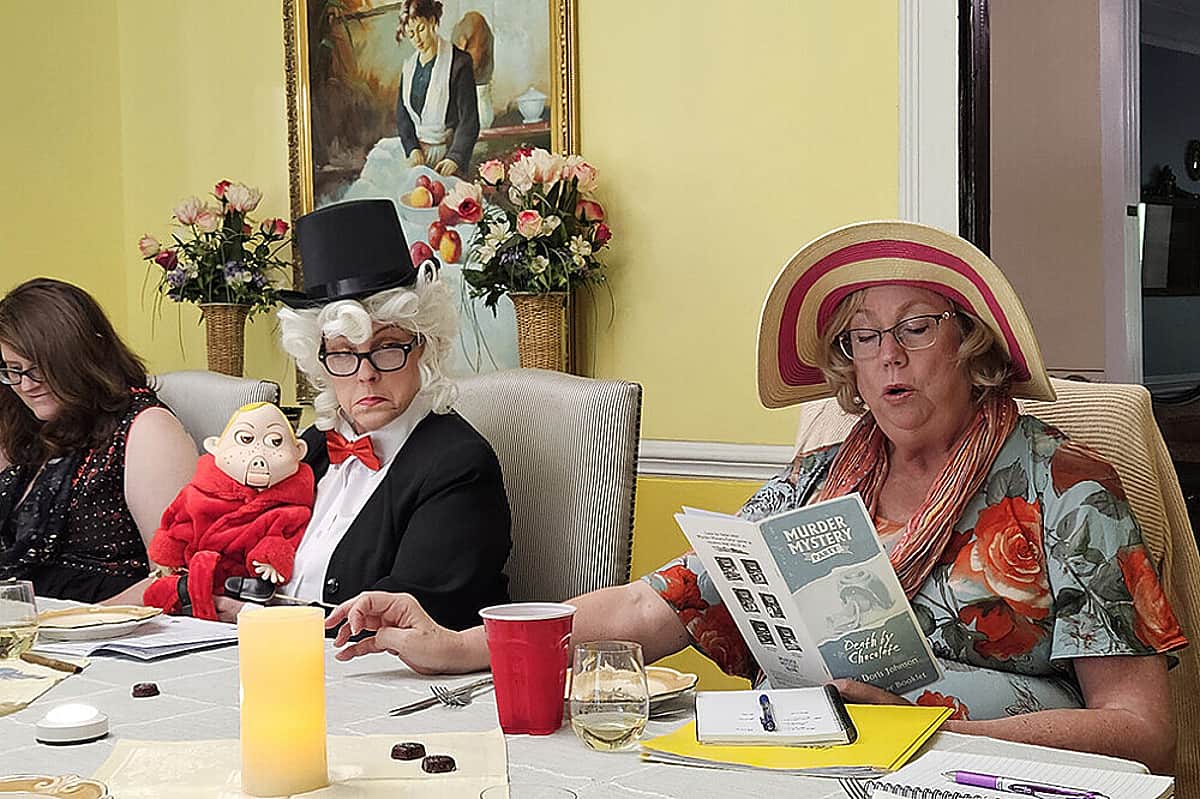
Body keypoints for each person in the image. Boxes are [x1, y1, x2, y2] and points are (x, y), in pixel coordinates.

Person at [325, 221, 1187, 773]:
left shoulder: (1065, 485)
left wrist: (934, 726)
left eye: (917, 325)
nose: (888, 354)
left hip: (982, 774)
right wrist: (458, 642)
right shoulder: (818, 480)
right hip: (828, 767)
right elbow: (642, 606)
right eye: (863, 335)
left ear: (972, 344)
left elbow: (1143, 730)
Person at [213, 199, 511, 629]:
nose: (366, 375)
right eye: (343, 355)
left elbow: (412, 614)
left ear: (422, 347)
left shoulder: (459, 463)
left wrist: (266, 620)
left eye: (387, 348)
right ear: (320, 362)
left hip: (389, 681)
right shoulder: (305, 448)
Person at [0, 278, 198, 603]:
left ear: (82, 355)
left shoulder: (146, 428)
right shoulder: (30, 422)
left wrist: (71, 624)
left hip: (103, 632)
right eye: (12, 370)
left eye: (38, 369)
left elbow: (179, 577)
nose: (25, 385)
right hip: (28, 626)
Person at [395, 0, 480, 177]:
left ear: (433, 22)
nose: (417, 40)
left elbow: (469, 120)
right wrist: (412, 148)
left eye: (421, 29)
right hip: (416, 152)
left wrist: (455, 157)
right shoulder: (409, 67)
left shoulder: (459, 63)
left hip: (445, 152)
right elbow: (402, 115)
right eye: (411, 34)